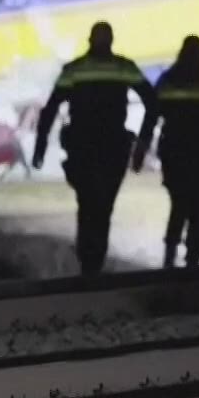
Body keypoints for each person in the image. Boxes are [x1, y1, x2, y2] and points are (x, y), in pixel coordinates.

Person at [34, 21, 157, 275]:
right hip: (114, 147)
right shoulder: (124, 67)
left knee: (87, 203)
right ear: (111, 41)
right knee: (104, 207)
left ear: (90, 40)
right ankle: (95, 262)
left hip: (82, 148)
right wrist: (142, 145)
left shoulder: (74, 70)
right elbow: (153, 104)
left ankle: (87, 262)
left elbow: (51, 108)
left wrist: (41, 145)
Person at [136, 35, 199, 268]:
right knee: (197, 205)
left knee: (178, 202)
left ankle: (170, 253)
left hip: (173, 151)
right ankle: (193, 257)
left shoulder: (167, 81)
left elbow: (152, 116)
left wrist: (141, 148)